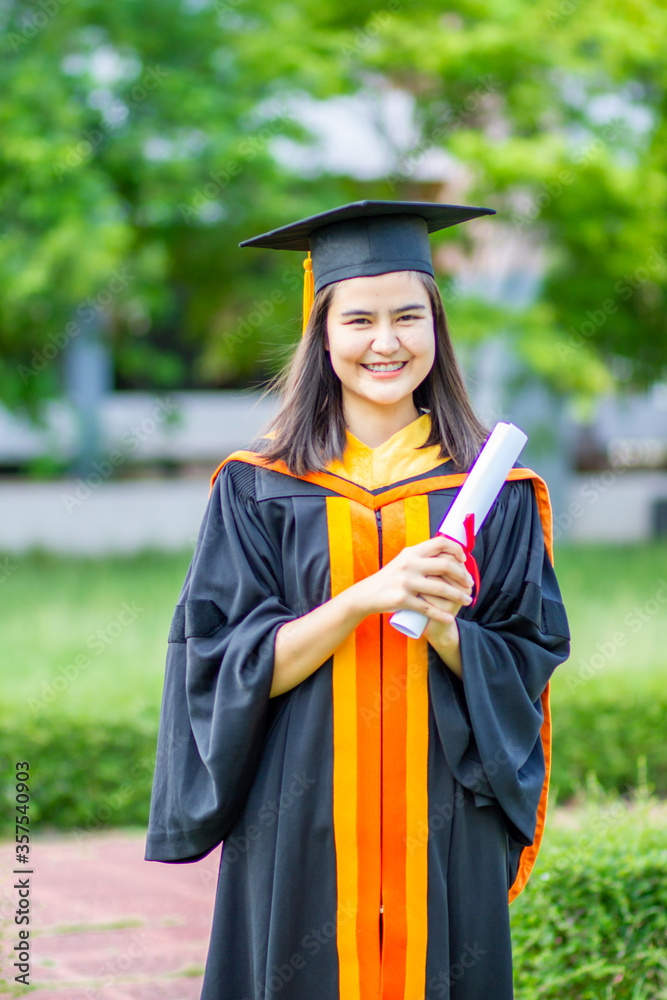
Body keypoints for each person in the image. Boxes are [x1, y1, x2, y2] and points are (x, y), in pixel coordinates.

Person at [145, 200, 570, 1000]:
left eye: (408, 317)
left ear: (435, 329)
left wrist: (449, 632)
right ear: (323, 332)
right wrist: (360, 600)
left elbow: (529, 654)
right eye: (360, 319)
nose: (386, 342)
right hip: (298, 814)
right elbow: (217, 662)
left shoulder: (493, 493)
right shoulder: (257, 488)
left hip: (442, 817)